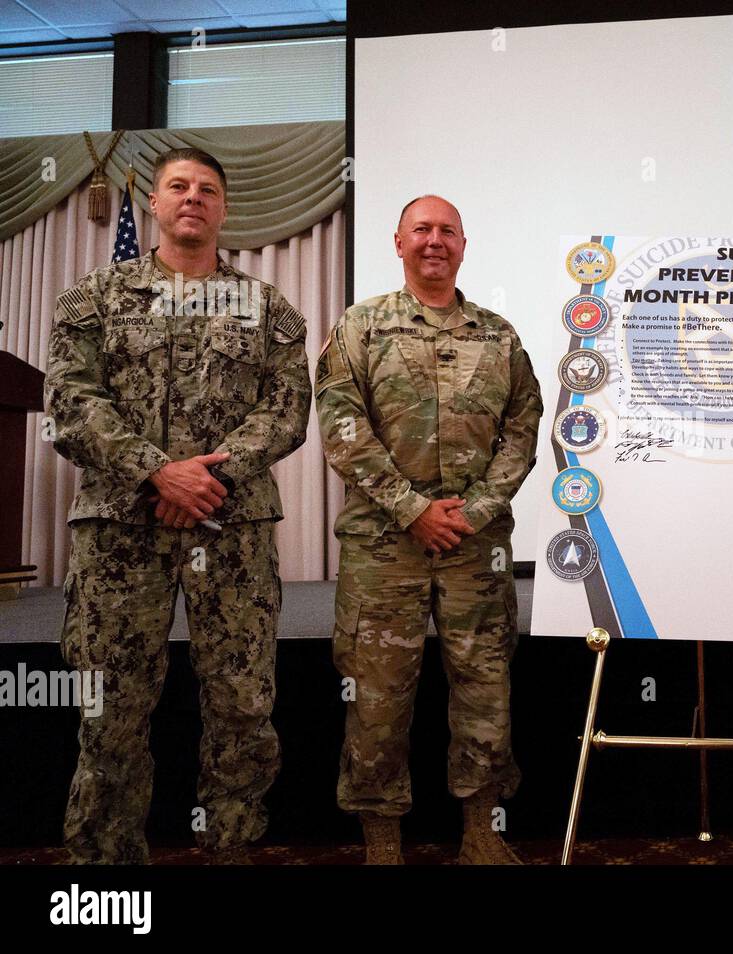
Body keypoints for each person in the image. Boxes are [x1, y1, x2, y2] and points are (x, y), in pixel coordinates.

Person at [45, 147, 311, 864]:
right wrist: (159, 474)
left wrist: (205, 482)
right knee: (111, 711)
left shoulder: (268, 309)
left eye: (207, 189)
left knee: (241, 705)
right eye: (177, 187)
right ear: (154, 204)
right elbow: (71, 403)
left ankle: (231, 847)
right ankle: (104, 868)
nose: (192, 198)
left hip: (231, 529)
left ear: (224, 209)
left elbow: (286, 412)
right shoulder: (92, 300)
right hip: (119, 533)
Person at [316, 194, 542, 865]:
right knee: (377, 700)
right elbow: (342, 426)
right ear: (398, 242)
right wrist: (410, 508)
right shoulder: (360, 326)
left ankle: (481, 832)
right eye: (422, 229)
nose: (434, 240)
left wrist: (473, 510)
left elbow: (523, 430)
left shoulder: (499, 336)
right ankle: (382, 842)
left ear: (464, 246)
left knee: (486, 693)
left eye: (448, 231)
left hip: (476, 552)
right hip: (385, 550)